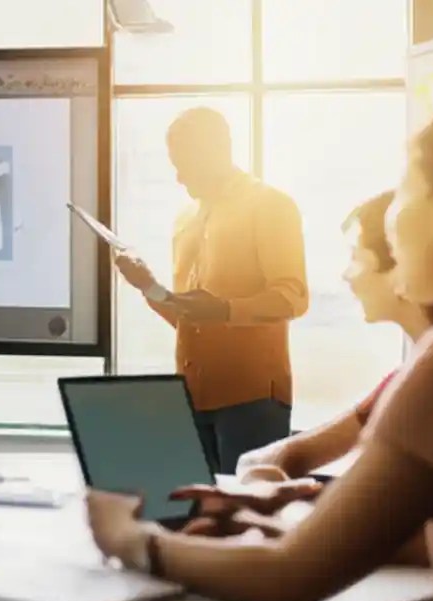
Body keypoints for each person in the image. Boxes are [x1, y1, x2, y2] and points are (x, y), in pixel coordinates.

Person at [88, 87, 433, 601]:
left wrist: (132, 540)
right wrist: (290, 512)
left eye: (405, 190)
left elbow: (291, 578)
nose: (388, 220)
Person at [176, 190, 433, 522]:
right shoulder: (405, 377)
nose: (346, 275)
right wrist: (266, 491)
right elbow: (269, 458)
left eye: (356, 258)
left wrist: (281, 505)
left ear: (398, 266)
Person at [113, 107, 308, 473]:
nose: (178, 176)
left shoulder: (270, 205)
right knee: (197, 510)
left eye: (184, 162)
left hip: (252, 400)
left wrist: (224, 310)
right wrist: (148, 287)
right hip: (189, 398)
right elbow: (189, 318)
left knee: (246, 513)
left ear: (219, 150)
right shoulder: (184, 220)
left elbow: (293, 297)